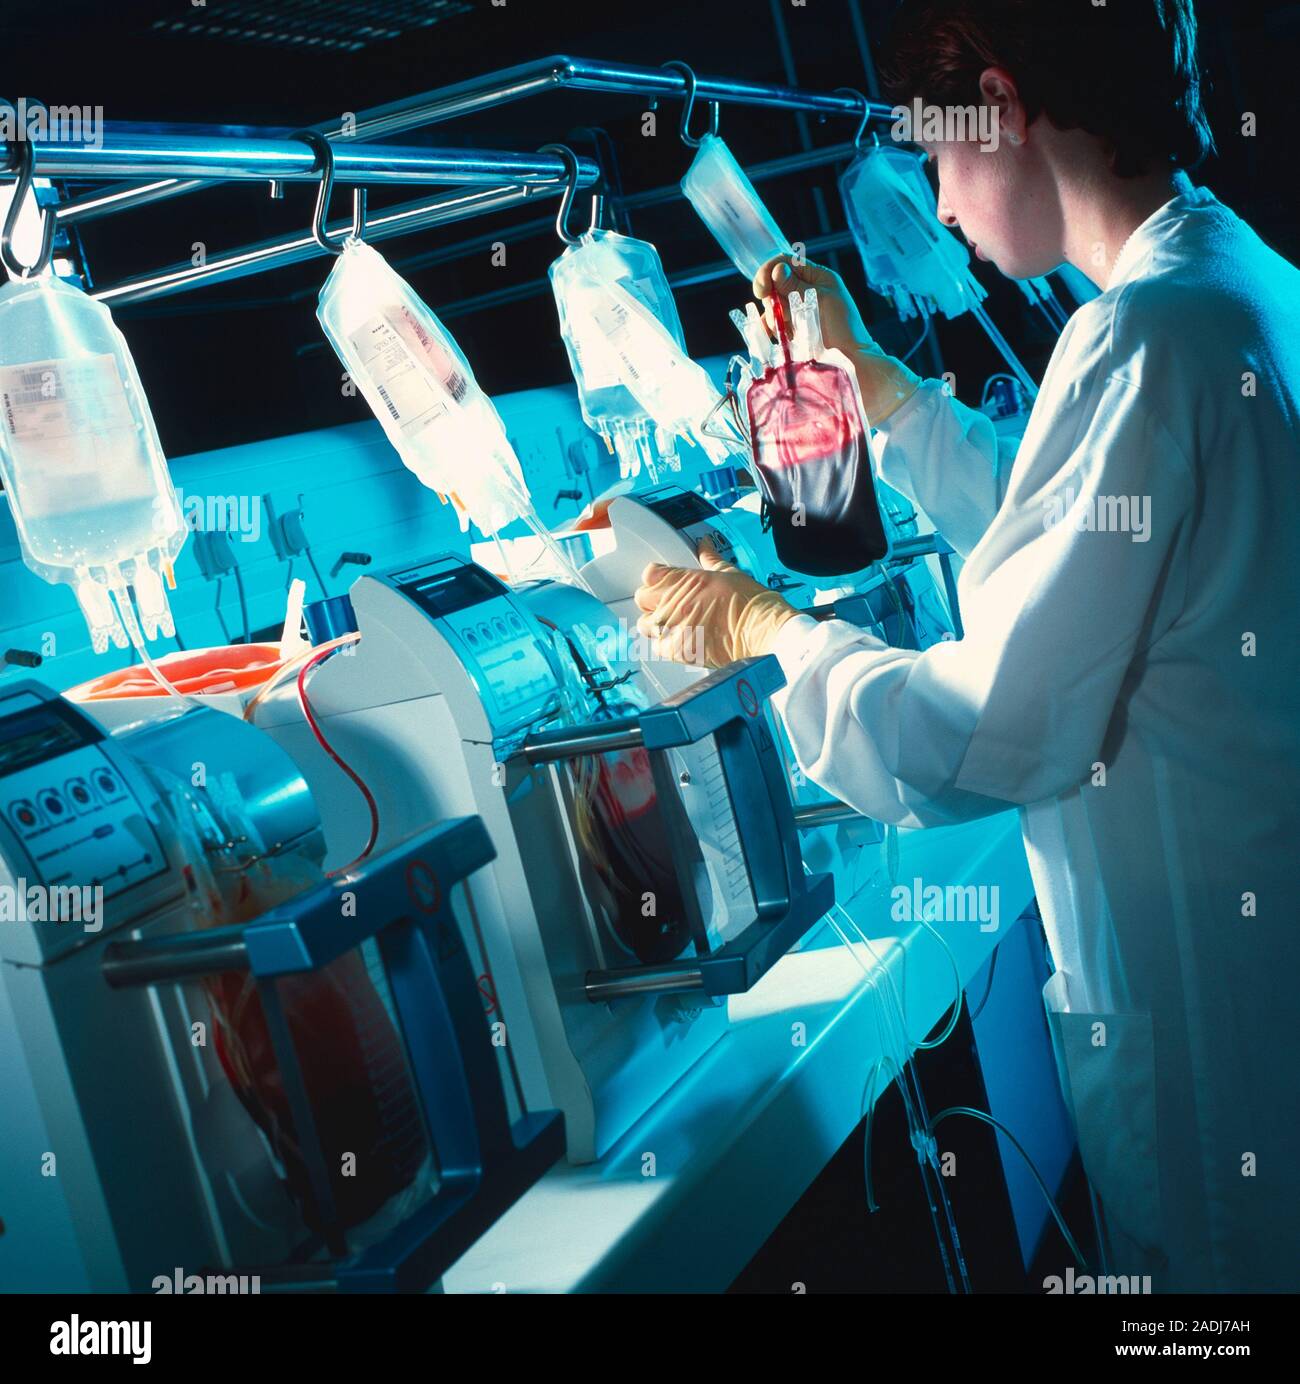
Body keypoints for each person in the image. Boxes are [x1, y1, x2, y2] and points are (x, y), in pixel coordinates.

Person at [634, 0, 1300, 1292]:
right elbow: (1091, 551)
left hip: (1225, 1096)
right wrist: (882, 389)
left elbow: (995, 726)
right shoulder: (1236, 288)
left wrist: (779, 636)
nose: (936, 209)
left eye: (934, 159)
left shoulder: (1149, 336)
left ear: (998, 108)